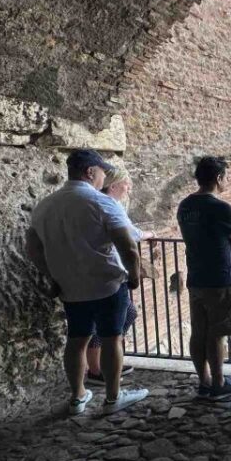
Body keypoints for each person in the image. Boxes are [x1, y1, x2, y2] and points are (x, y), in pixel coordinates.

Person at [26, 149, 149, 415]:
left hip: (70, 287)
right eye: (102, 172)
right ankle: (113, 398)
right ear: (90, 172)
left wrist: (50, 276)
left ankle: (77, 397)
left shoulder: (46, 205)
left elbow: (32, 247)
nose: (104, 178)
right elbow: (128, 246)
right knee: (112, 339)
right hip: (107, 284)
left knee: (77, 341)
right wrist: (134, 276)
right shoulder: (101, 202)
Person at [177, 156, 231, 401]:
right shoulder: (221, 208)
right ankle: (219, 383)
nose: (227, 181)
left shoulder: (185, 206)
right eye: (226, 177)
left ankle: (204, 381)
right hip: (220, 279)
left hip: (196, 277)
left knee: (198, 332)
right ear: (218, 178)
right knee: (217, 334)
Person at [85, 165, 154, 385]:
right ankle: (98, 370)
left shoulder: (102, 203)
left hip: (96, 272)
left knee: (117, 319)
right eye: (126, 183)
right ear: (113, 186)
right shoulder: (108, 204)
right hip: (106, 274)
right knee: (110, 322)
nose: (129, 187)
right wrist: (148, 234)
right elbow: (130, 234)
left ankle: (106, 363)